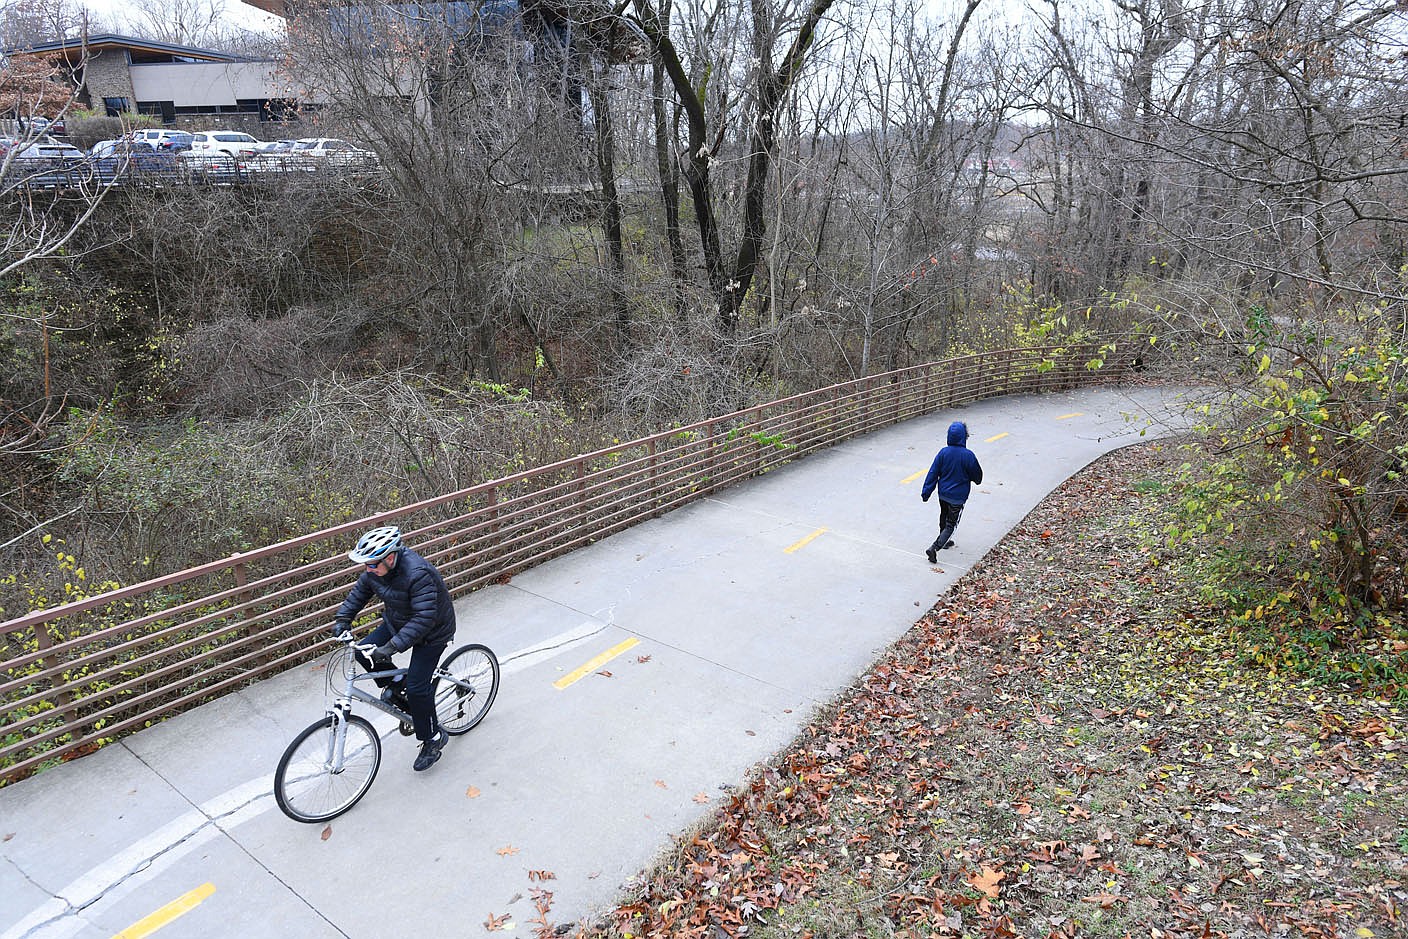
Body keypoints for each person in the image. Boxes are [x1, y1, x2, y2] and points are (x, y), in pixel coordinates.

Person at [332, 525, 456, 771]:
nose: (368, 570)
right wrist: (342, 620)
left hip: (432, 632)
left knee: (418, 687)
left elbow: (424, 618)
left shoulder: (418, 573)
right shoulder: (374, 570)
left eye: (372, 564)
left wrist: (390, 648)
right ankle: (398, 684)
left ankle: (432, 738)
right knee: (363, 649)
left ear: (390, 557)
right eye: (366, 565)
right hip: (398, 621)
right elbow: (358, 595)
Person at [920, 420, 984, 564]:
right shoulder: (968, 455)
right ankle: (934, 548)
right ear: (964, 437)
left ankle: (944, 540)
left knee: (944, 515)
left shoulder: (943, 452)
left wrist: (926, 492)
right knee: (951, 525)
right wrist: (974, 479)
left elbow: (933, 473)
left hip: (943, 494)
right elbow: (977, 477)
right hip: (958, 497)